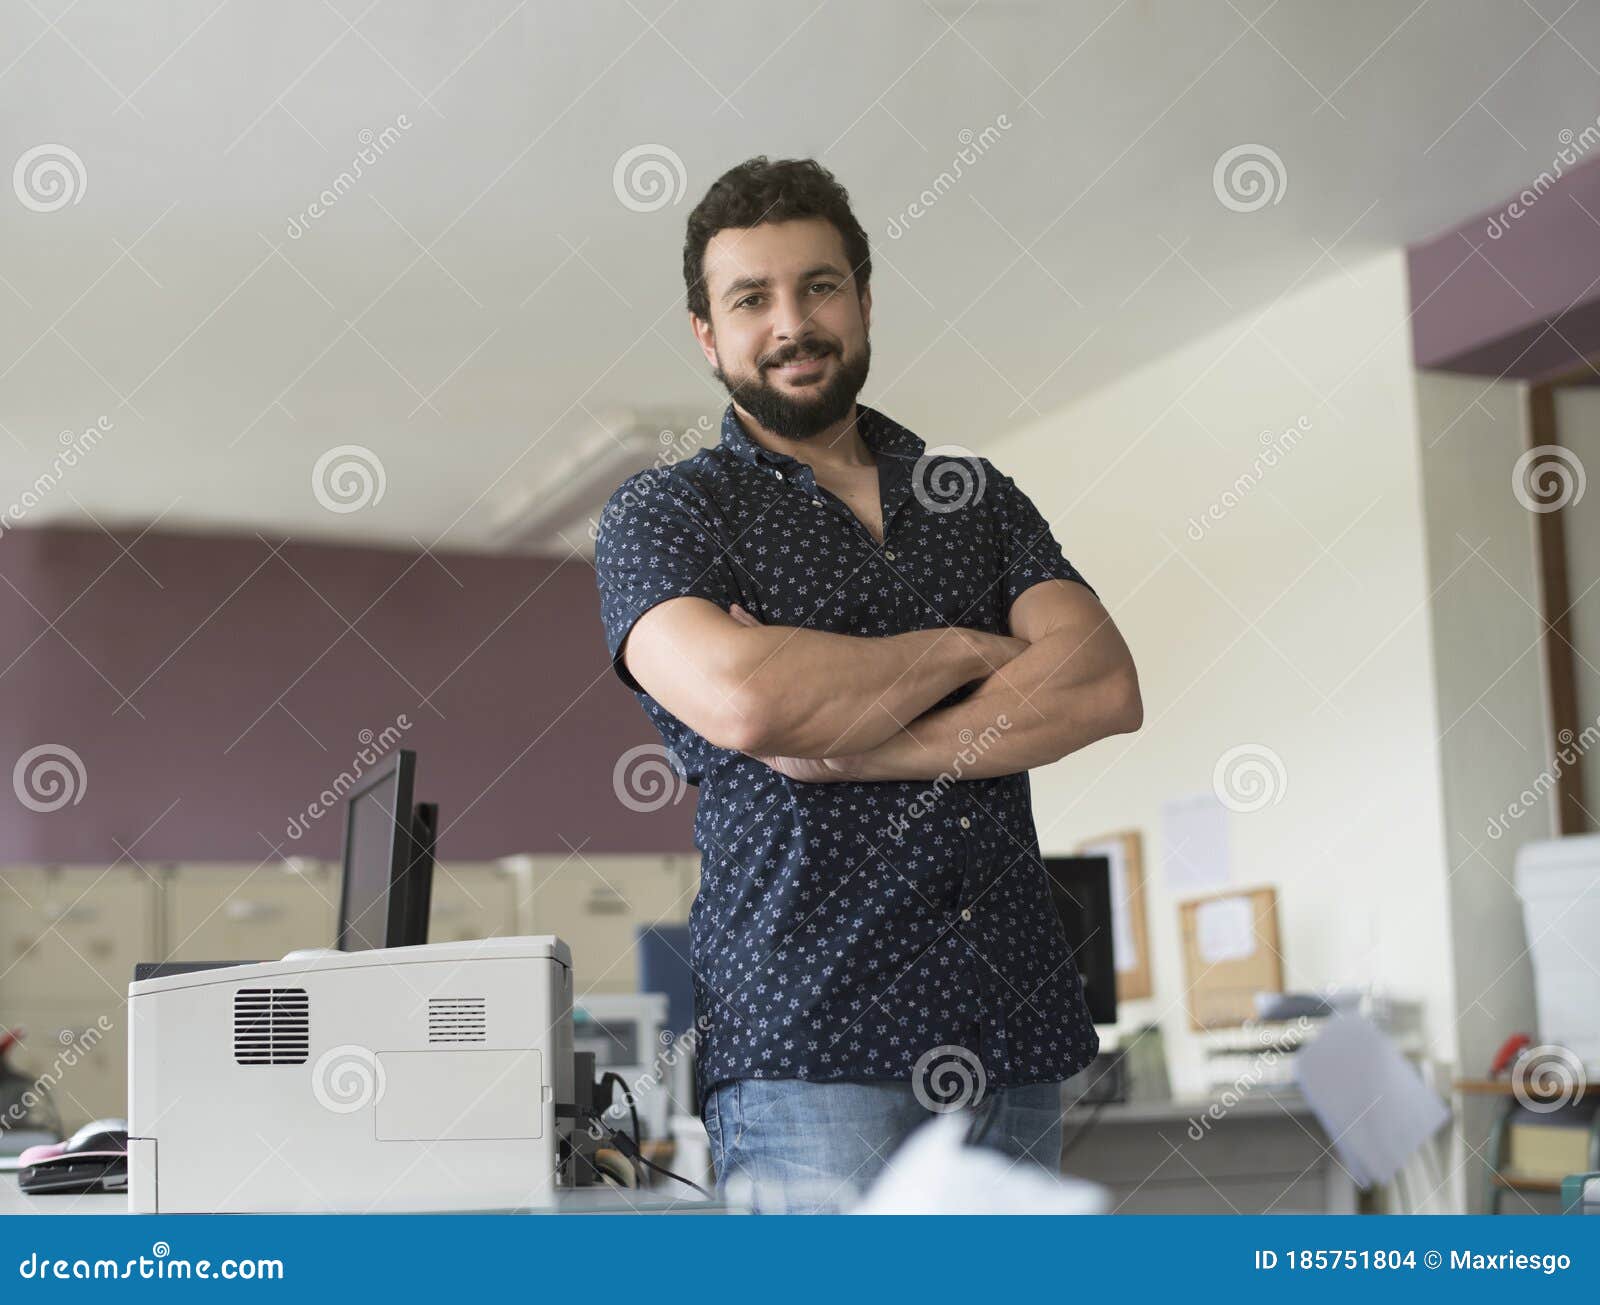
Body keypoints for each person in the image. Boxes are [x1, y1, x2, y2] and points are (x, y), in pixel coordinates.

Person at [594, 156, 1142, 1212]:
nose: (792, 321)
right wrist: (972, 646)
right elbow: (753, 704)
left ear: (864, 300)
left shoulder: (970, 496)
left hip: (1010, 1027)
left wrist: (862, 739)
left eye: (819, 286)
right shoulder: (665, 516)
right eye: (751, 299)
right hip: (815, 1041)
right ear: (707, 334)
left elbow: (1101, 686)